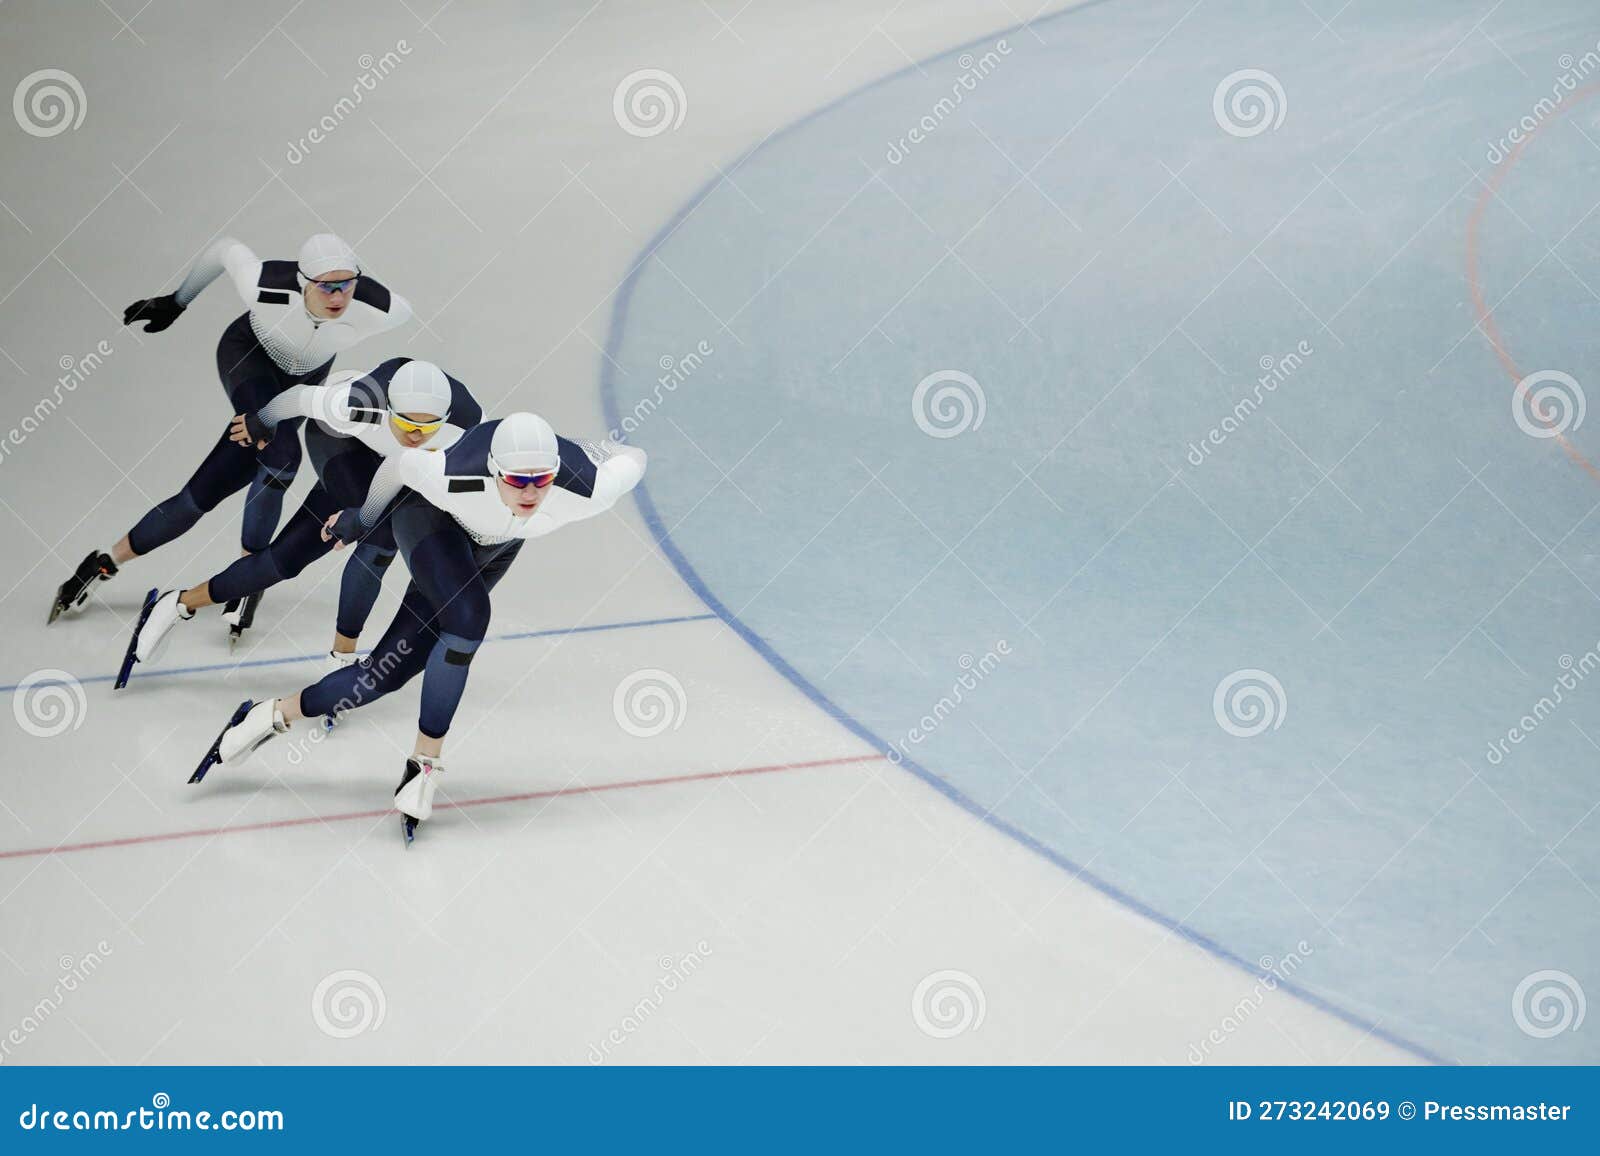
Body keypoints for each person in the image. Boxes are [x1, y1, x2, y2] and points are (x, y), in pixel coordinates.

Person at [192, 413, 647, 844]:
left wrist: (596, 449)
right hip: (428, 520)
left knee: (381, 677)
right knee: (469, 618)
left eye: (542, 480)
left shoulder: (590, 486)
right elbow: (400, 465)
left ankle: (267, 715)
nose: (531, 493)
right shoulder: (453, 473)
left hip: (498, 547)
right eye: (517, 481)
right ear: (492, 471)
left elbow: (635, 458)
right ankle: (424, 766)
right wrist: (362, 518)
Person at [48, 233, 412, 635]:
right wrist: (177, 301)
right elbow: (224, 249)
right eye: (327, 286)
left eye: (347, 284)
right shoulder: (265, 284)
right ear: (302, 281)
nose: (339, 297)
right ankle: (243, 578)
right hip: (248, 356)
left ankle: (108, 560)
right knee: (283, 453)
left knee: (202, 494)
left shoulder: (378, 307)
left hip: (300, 385)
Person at [115, 358, 482, 691]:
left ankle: (180, 601)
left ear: (446, 417)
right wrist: (262, 420)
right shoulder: (357, 402)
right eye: (405, 423)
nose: (416, 435)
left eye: (428, 426)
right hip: (338, 442)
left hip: (392, 465)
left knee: (285, 561)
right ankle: (341, 657)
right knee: (380, 535)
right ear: (389, 408)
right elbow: (299, 397)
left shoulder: (466, 423)